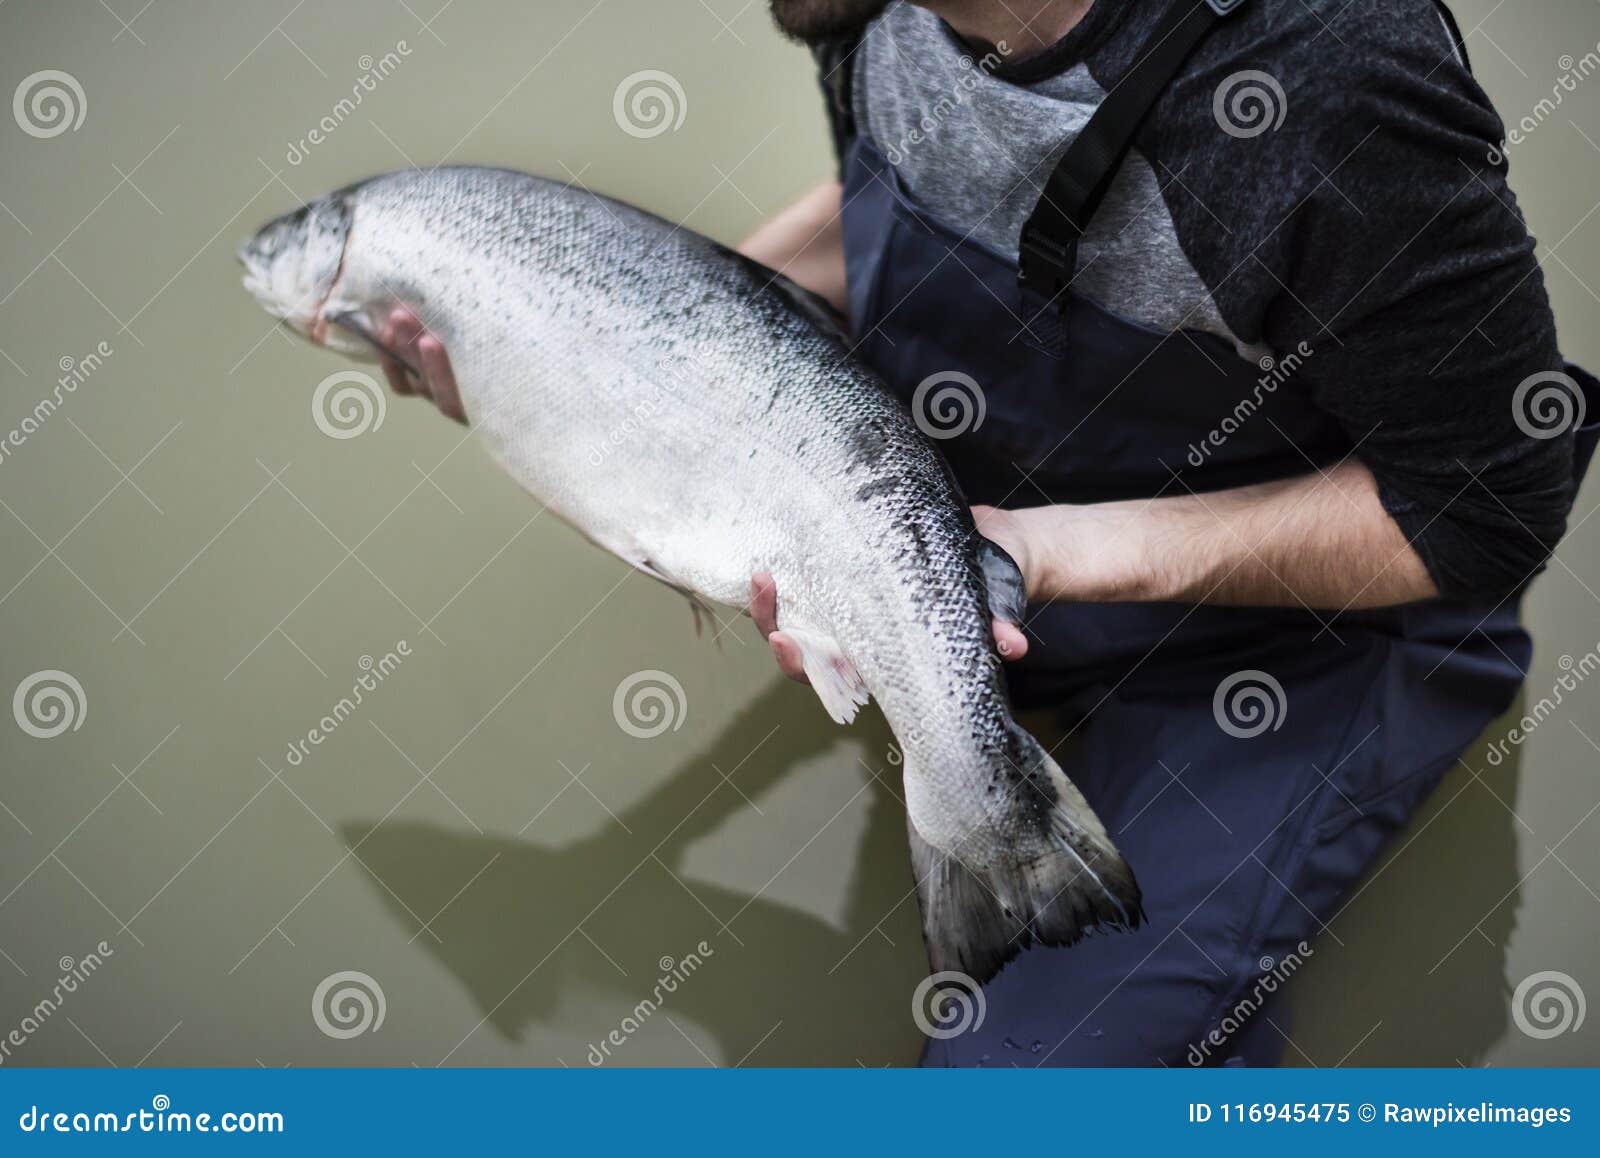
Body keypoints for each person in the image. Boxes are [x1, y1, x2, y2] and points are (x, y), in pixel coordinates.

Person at [374, 0, 1597, 1065]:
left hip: (1310, 642)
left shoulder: (1319, 87)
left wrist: (1035, 557)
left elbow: (1485, 505)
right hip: (978, 572)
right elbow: (892, 206)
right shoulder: (855, 10)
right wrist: (620, 365)